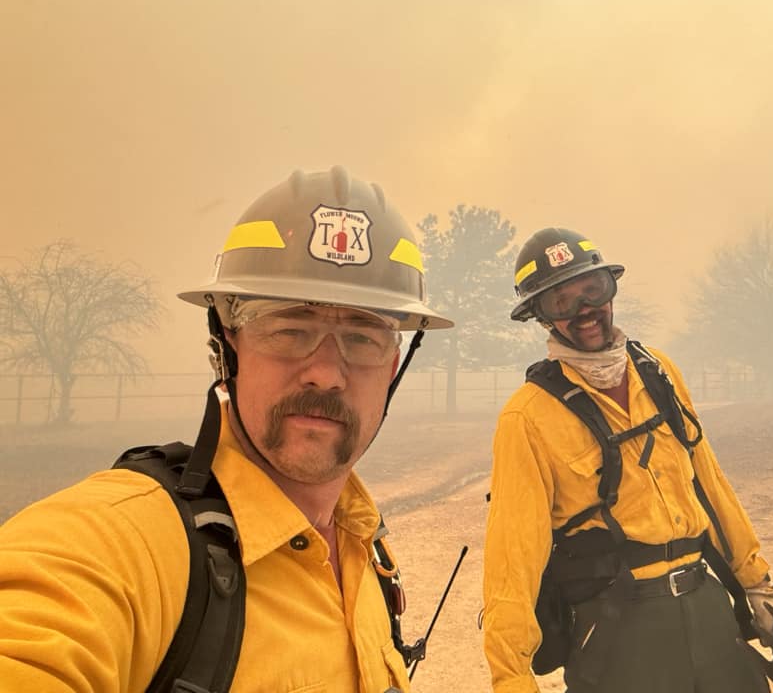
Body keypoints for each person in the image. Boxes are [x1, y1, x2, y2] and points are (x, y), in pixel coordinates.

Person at [0, 166, 453, 692]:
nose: (327, 373)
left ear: (394, 363)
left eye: (362, 337)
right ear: (228, 343)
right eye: (289, 328)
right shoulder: (128, 545)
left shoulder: (365, 546)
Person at [482, 227, 773, 693]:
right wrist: (512, 679)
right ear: (543, 318)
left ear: (610, 290)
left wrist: (756, 582)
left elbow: (708, 482)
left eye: (592, 291)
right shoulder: (527, 417)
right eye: (561, 302)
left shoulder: (660, 372)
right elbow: (512, 557)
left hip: (706, 605)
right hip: (616, 630)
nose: (584, 310)